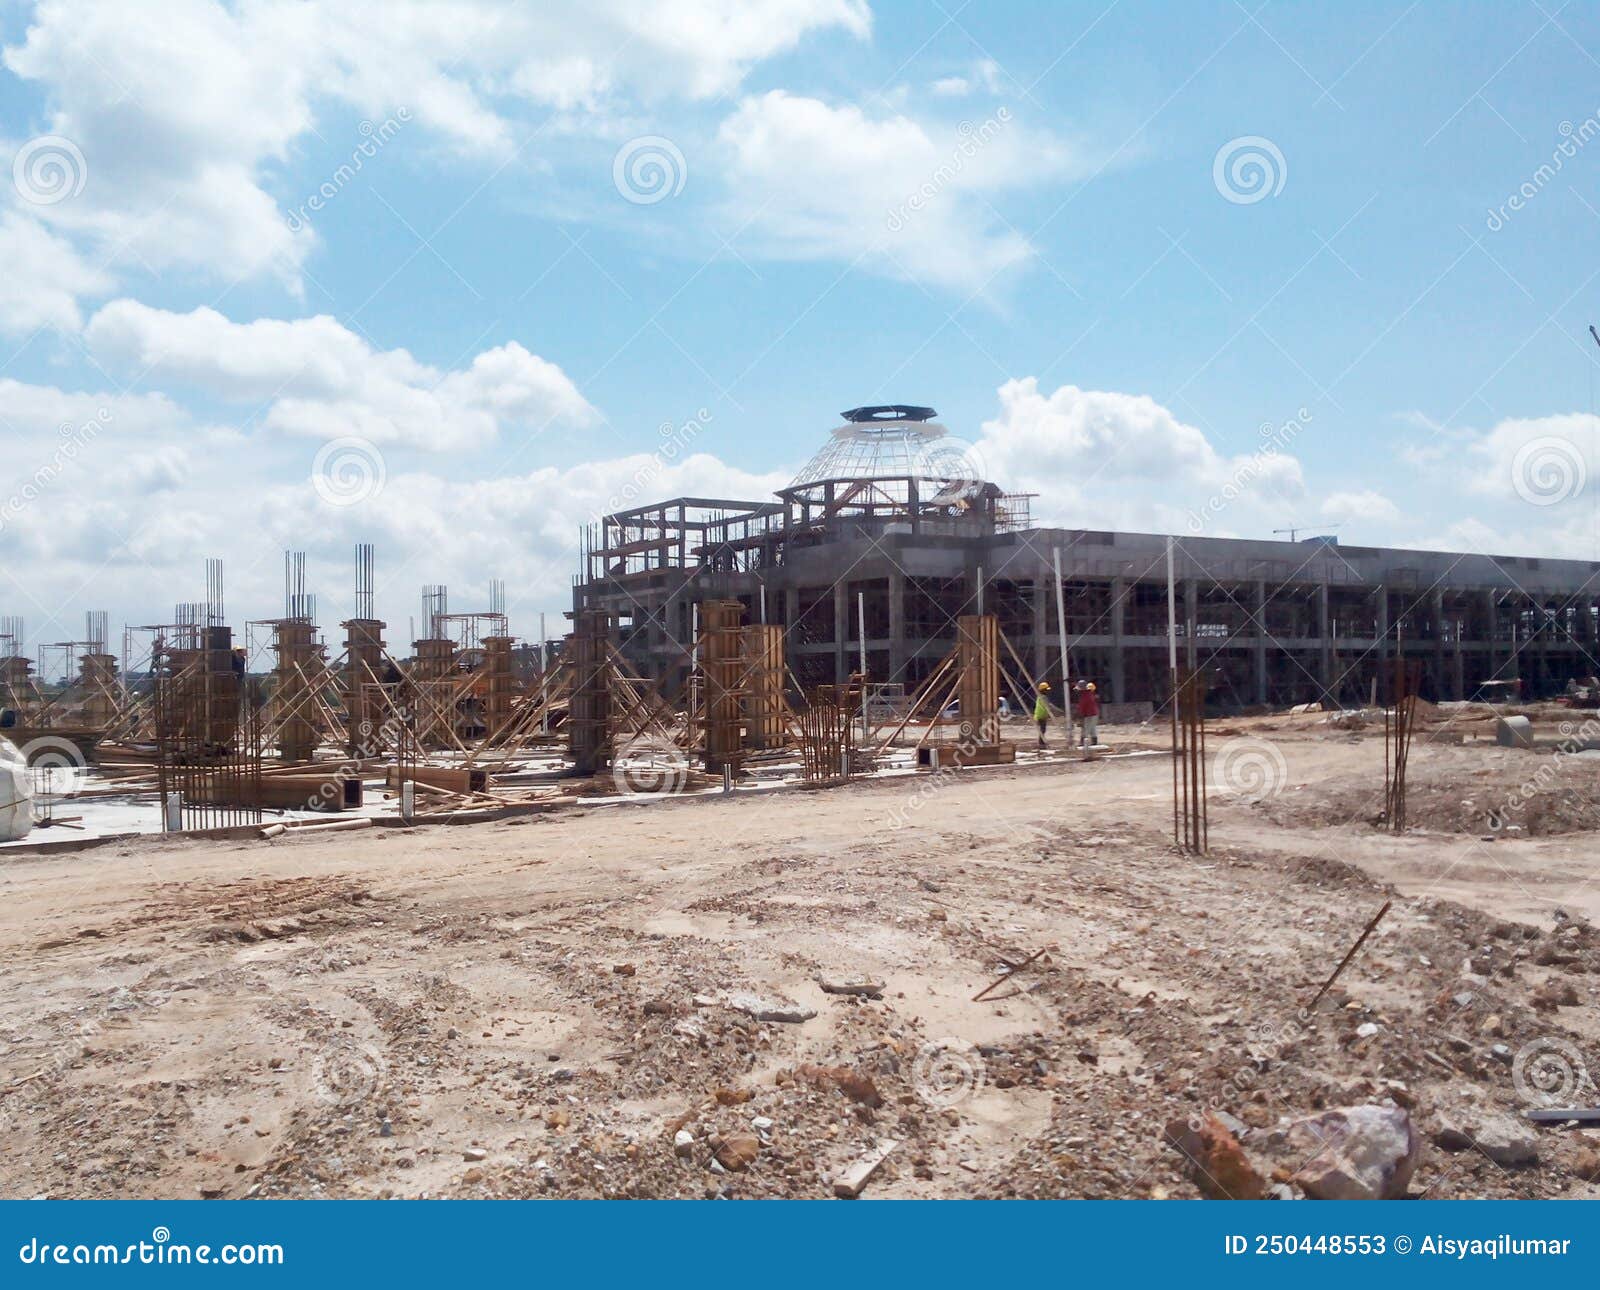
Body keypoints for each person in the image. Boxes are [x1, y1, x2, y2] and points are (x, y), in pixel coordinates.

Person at [1076, 680, 1100, 748]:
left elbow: (1083, 706)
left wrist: (1081, 716)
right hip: (1093, 714)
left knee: (1085, 729)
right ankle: (1094, 742)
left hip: (1090, 715)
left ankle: (1082, 743)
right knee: (1092, 729)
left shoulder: (1085, 696)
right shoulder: (1088, 694)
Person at [1032, 682, 1051, 748]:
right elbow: (1047, 706)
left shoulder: (1039, 697)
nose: (1047, 691)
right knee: (1042, 730)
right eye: (1046, 690)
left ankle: (1041, 742)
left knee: (1042, 730)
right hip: (1041, 716)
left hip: (1038, 715)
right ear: (1043, 690)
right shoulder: (1043, 697)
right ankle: (1041, 743)